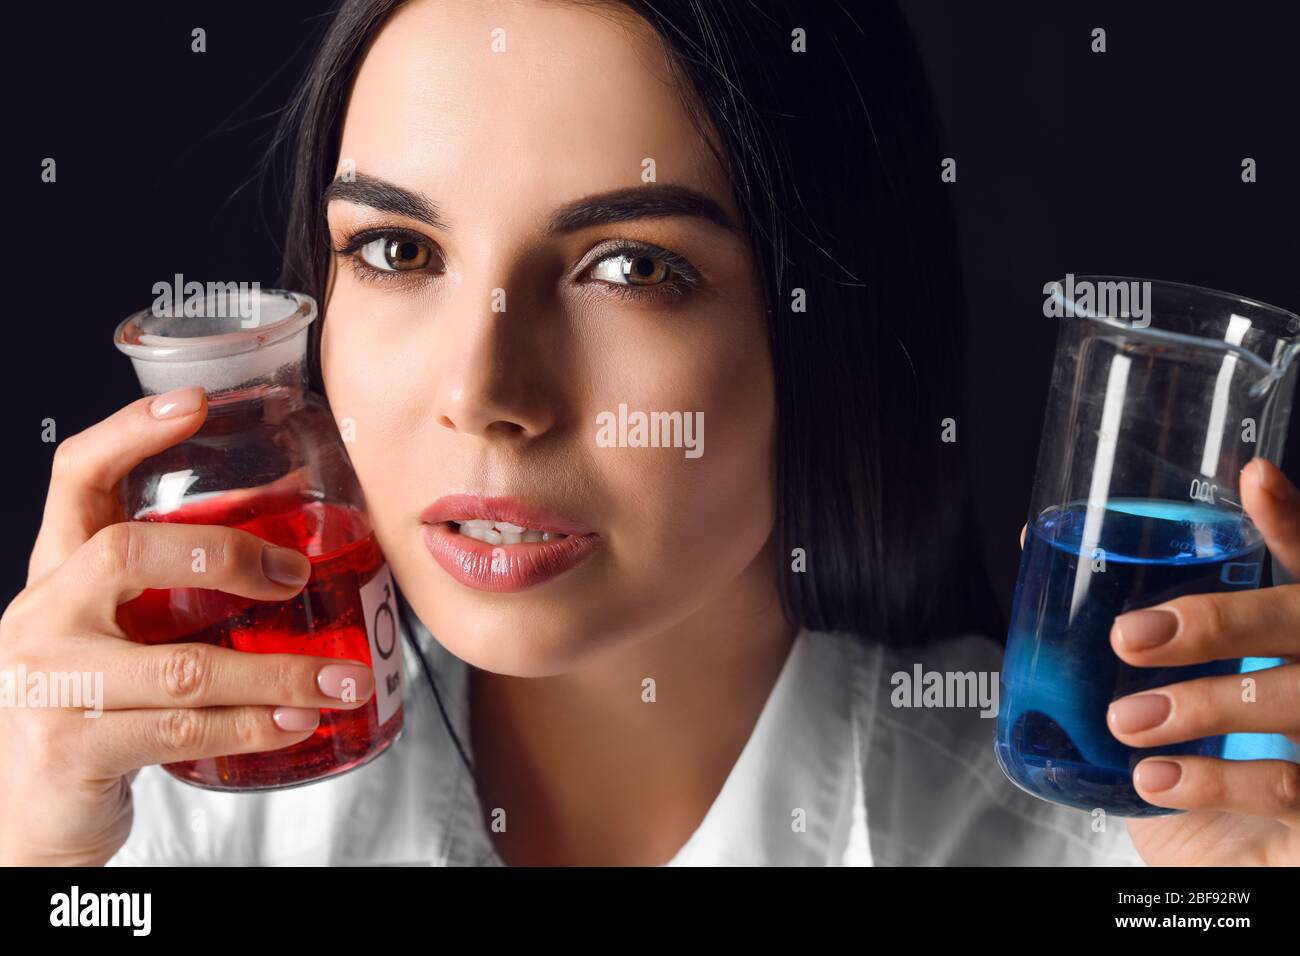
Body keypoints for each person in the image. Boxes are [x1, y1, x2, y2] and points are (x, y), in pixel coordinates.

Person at [3, 0, 1297, 867]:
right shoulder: (146, 823)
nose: (485, 391)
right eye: (397, 250)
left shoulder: (1131, 855)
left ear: (825, 320)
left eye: (630, 268)